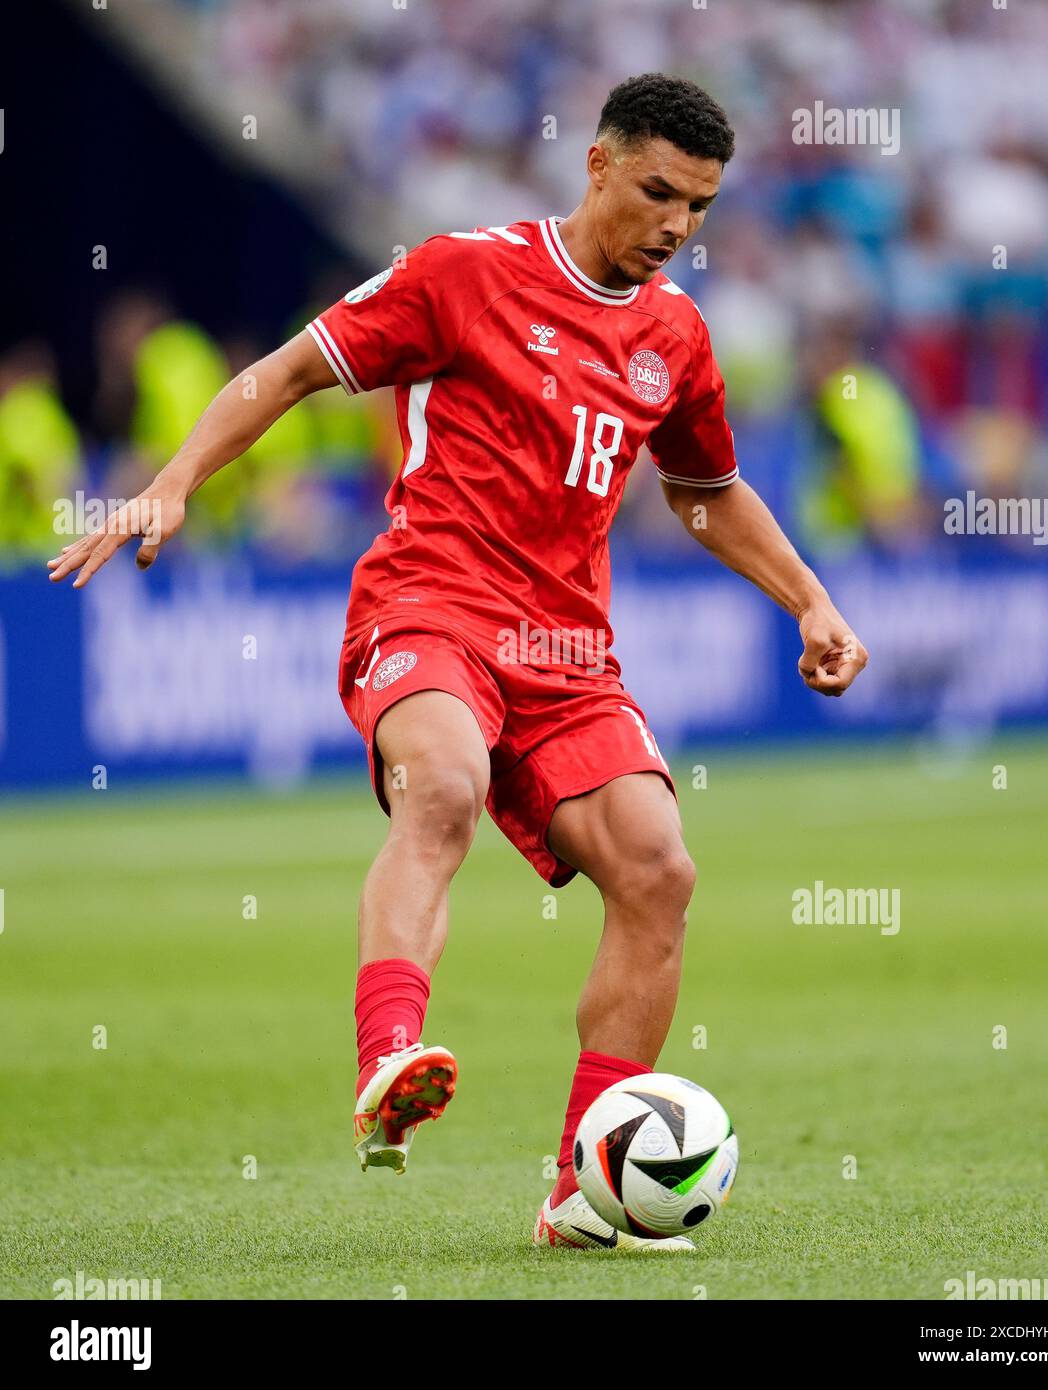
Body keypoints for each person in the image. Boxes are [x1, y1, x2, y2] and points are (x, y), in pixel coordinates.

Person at [48, 73, 868, 1253]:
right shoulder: (463, 273)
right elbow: (284, 373)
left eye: (697, 206)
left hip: (568, 649)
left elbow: (704, 489)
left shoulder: (674, 336)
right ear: (595, 165)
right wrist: (171, 485)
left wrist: (808, 599)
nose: (674, 227)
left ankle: (582, 1189)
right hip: (430, 600)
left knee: (658, 868)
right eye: (655, 193)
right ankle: (391, 1054)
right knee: (442, 787)